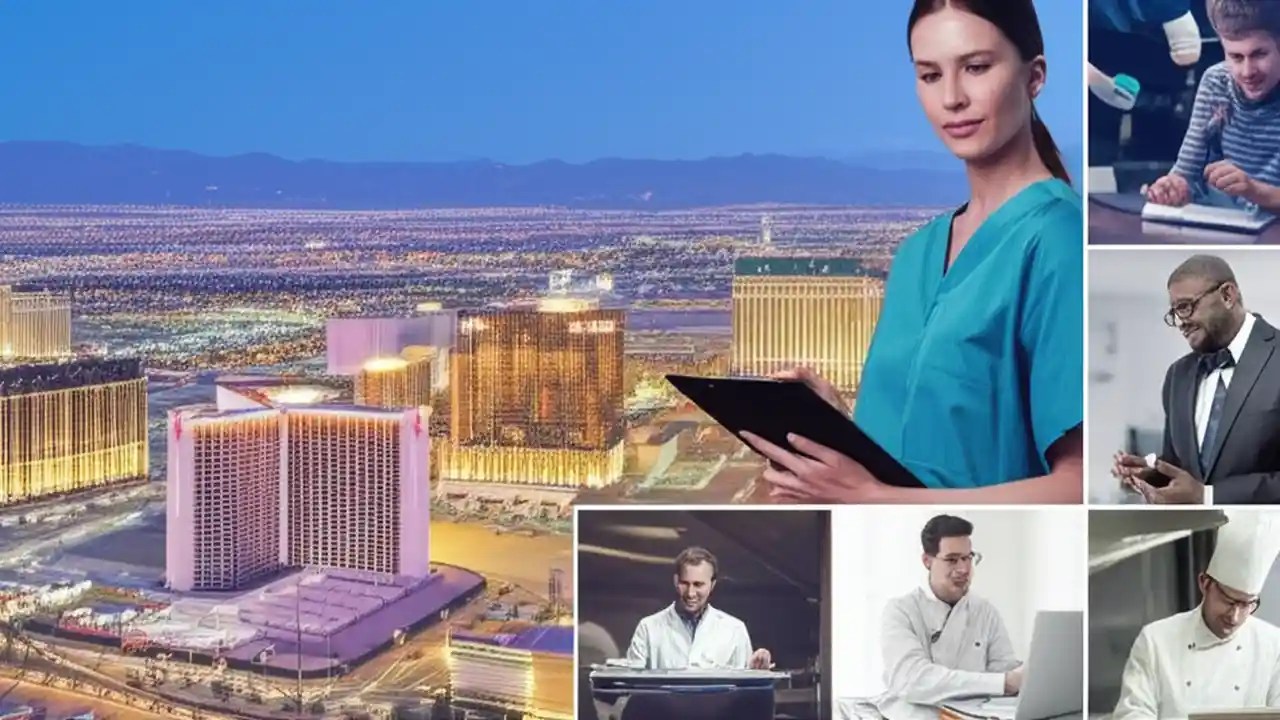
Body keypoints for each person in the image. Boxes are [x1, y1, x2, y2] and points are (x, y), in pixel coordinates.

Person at [741, 0, 1083, 503]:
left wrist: (873, 499)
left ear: (1035, 77)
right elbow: (922, 450)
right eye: (929, 75)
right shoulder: (915, 255)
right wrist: (836, 427)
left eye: (977, 67)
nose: (952, 97)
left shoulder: (1058, 239)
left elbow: (1078, 489)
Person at [1112, 255, 1280, 504]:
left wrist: (1209, 496)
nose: (1181, 322)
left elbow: (1201, 491)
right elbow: (1179, 468)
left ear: (1227, 295)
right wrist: (1150, 476)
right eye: (1175, 312)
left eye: (1186, 306)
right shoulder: (1177, 376)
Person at [1113, 511, 1280, 718]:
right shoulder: (1156, 640)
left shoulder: (1273, 645)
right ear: (1204, 583)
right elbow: (1132, 713)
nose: (1235, 616)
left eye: (1246, 604)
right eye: (1228, 601)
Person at [877, 515, 1022, 719]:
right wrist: (1003, 682)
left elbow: (1005, 670)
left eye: (968, 558)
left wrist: (1024, 676)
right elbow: (913, 680)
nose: (963, 569)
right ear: (927, 561)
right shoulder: (901, 611)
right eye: (952, 560)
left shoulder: (985, 611)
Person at [1145, 0, 1280, 214]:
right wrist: (1173, 188)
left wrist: (1256, 191)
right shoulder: (1216, 82)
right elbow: (1186, 174)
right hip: (1223, 225)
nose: (1247, 72)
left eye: (1259, 54)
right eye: (1235, 57)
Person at [625, 546, 773, 670]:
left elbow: (744, 690)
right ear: (676, 581)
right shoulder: (648, 628)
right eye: (685, 583)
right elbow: (631, 686)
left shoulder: (734, 629)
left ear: (712, 584)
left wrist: (756, 671)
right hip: (662, 706)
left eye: (698, 584)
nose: (690, 593)